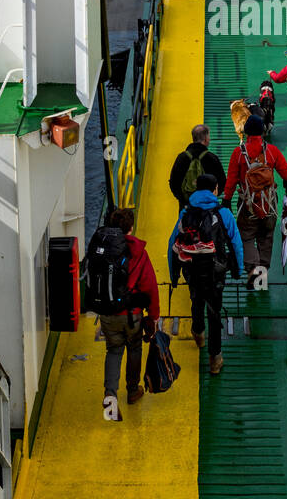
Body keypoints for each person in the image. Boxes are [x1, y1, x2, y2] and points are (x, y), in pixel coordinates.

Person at [85, 207, 159, 420]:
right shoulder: (138, 252)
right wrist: (153, 316)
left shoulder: (100, 248)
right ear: (130, 228)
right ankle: (133, 390)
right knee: (134, 348)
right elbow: (150, 287)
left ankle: (110, 393)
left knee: (114, 350)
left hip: (107, 312)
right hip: (131, 314)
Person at [168, 174, 242, 375]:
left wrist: (174, 274)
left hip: (191, 268)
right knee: (215, 310)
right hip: (215, 270)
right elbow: (235, 243)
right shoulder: (223, 213)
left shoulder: (185, 213)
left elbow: (172, 245)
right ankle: (215, 358)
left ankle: (198, 332)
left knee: (196, 299)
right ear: (215, 190)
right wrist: (238, 269)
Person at [223, 114, 287, 290]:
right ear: (262, 131)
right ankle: (262, 276)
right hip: (268, 204)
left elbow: (231, 180)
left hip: (247, 205)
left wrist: (227, 200)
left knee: (246, 237)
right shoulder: (271, 151)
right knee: (266, 238)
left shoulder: (238, 153)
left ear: (246, 133)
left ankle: (252, 268)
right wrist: (286, 183)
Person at [169, 124, 226, 210]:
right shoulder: (212, 158)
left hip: (187, 209)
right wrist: (211, 198)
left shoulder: (181, 158)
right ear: (206, 139)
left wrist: (183, 200)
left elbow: (173, 183)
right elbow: (222, 181)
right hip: (208, 209)